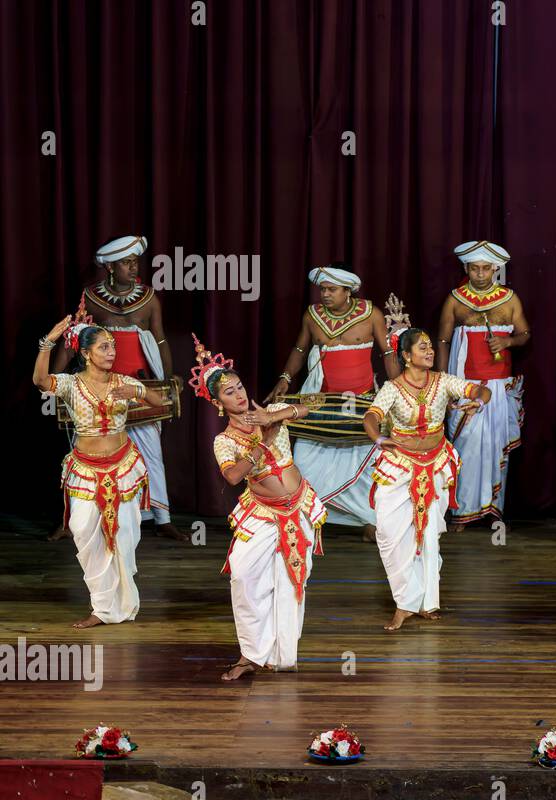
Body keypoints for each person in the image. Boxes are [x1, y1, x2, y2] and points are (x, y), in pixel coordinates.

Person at [192, 336, 325, 681]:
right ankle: (250, 653)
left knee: (293, 579)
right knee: (243, 573)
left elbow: (312, 405)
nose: (238, 395)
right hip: (262, 512)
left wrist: (276, 414)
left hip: (299, 506)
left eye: (239, 387)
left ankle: (282, 653)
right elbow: (234, 477)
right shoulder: (223, 440)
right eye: (229, 393)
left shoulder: (268, 413)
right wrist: (261, 444)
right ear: (218, 403)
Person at [34, 306, 171, 627]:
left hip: (122, 467)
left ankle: (115, 607)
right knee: (83, 531)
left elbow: (160, 403)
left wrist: (137, 389)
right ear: (86, 353)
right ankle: (102, 605)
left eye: (113, 346)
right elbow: (41, 382)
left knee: (123, 537)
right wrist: (48, 343)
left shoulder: (123, 382)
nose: (112, 352)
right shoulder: (70, 384)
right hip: (85, 470)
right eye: (104, 347)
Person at [50, 236, 182, 540]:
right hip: (95, 386)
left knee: (151, 453)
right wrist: (54, 378)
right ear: (110, 266)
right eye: (126, 262)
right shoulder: (90, 298)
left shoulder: (149, 299)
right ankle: (72, 519)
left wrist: (170, 379)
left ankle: (161, 518)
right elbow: (74, 342)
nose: (133, 267)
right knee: (83, 454)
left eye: (135, 261)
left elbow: (160, 340)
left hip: (137, 385)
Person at [364, 322, 491, 631]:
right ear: (406, 356)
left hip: (435, 464)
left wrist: (479, 400)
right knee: (390, 534)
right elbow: (371, 417)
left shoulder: (443, 381)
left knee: (429, 535)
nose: (430, 350)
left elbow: (479, 389)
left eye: (431, 346)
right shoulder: (392, 388)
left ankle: (421, 602)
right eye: (422, 347)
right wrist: (379, 439)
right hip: (399, 465)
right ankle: (404, 600)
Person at [266, 266, 399, 541]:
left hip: (360, 401)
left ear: (347, 291)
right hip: (320, 402)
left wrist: (399, 391)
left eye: (331, 290)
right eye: (322, 289)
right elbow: (300, 350)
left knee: (369, 461)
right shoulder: (312, 316)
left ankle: (370, 520)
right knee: (305, 457)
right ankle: (307, 514)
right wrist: (284, 379)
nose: (325, 294)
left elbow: (387, 353)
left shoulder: (371, 314)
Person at [435, 241, 530, 529]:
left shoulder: (509, 299)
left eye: (485, 269)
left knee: (494, 446)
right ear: (466, 268)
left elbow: (524, 333)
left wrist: (508, 341)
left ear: (495, 269)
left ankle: (491, 510)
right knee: (466, 448)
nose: (480, 274)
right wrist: (442, 382)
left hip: (499, 387)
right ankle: (462, 513)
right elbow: (443, 340)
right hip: (464, 385)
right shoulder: (455, 300)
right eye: (474, 268)